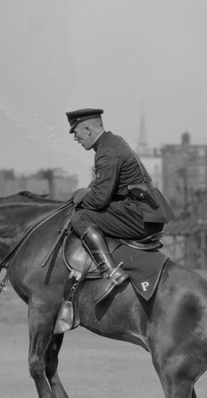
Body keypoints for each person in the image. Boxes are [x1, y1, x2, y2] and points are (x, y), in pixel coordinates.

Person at [66, 108, 173, 304]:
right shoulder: (113, 142)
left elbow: (98, 200)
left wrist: (78, 198)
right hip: (145, 212)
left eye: (76, 133)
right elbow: (103, 187)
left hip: (140, 216)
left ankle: (110, 270)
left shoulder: (107, 152)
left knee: (80, 217)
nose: (75, 138)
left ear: (88, 129)